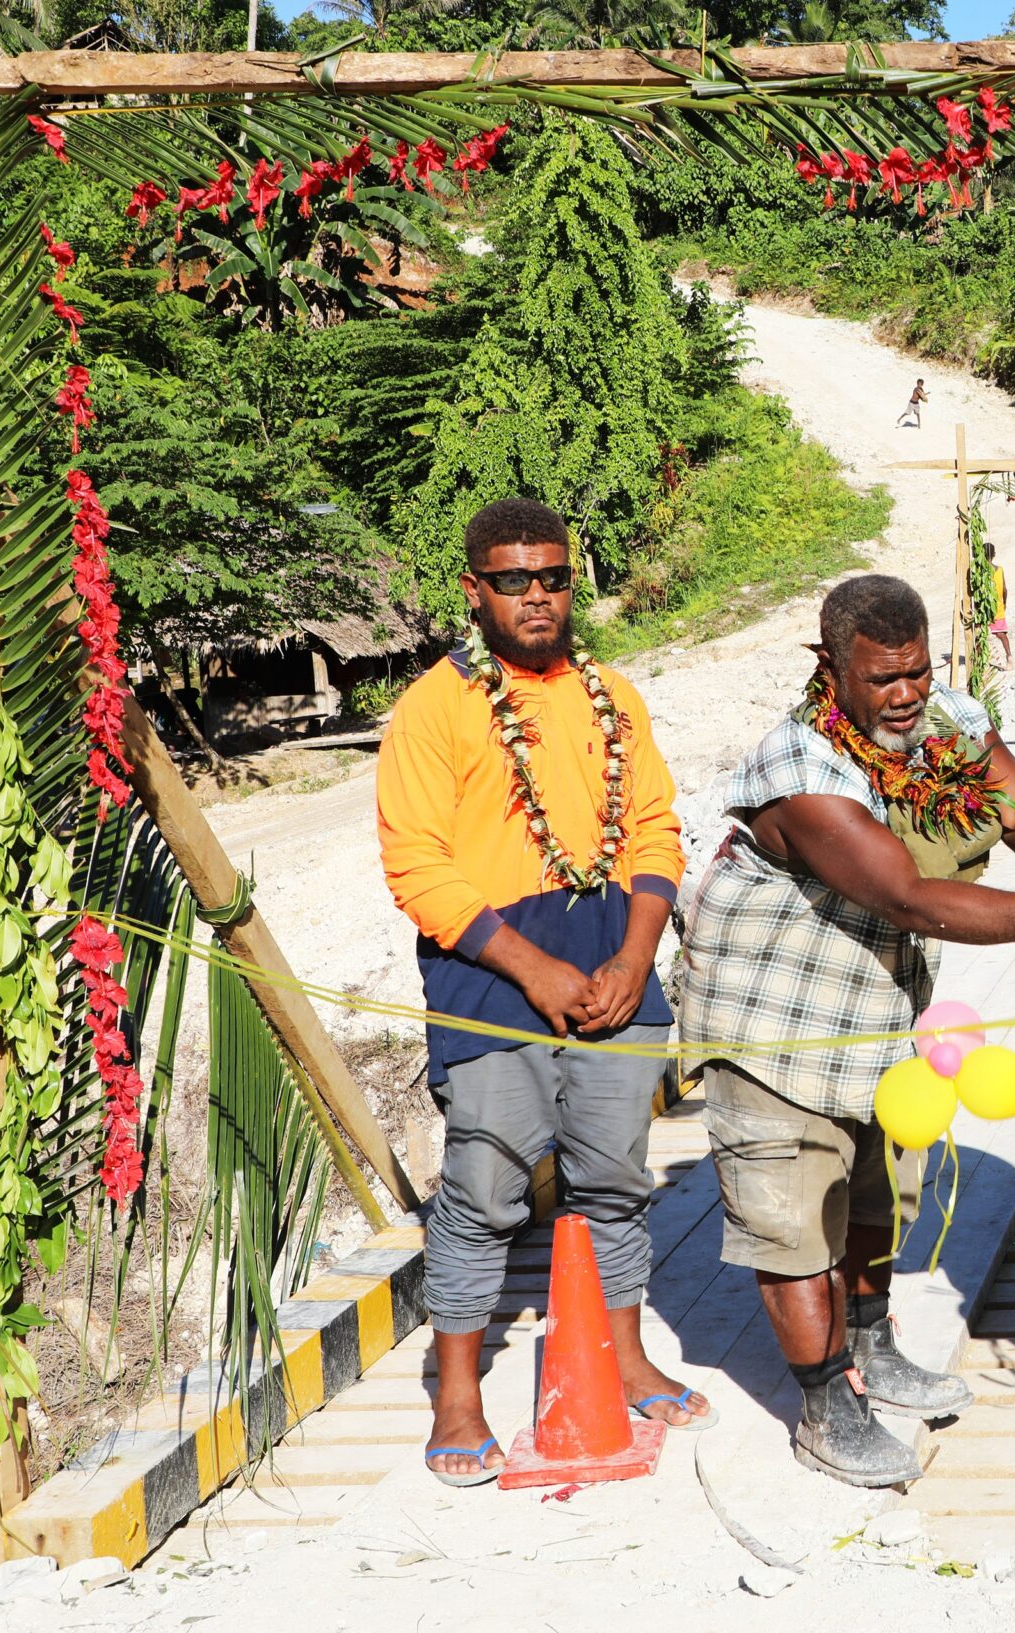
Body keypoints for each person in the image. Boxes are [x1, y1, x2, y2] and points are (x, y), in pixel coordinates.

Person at [676, 573, 1015, 1488]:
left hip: (881, 1012)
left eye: (917, 672)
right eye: (883, 678)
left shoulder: (946, 722)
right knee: (797, 1218)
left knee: (882, 1191)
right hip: (775, 1022)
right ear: (831, 666)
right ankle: (822, 1402)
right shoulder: (800, 769)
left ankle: (873, 1346)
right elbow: (909, 896)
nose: (904, 694)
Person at [376, 497, 707, 1487]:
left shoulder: (612, 694)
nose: (537, 597)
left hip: (614, 960)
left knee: (614, 1176)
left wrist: (633, 958)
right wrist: (536, 968)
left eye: (553, 577)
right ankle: (460, 1393)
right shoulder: (434, 709)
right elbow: (417, 870)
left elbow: (654, 829)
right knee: (483, 1188)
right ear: (473, 590)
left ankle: (627, 1352)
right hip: (491, 973)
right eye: (513, 579)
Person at [985, 539, 1013, 669]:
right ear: (994, 554)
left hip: (985, 608)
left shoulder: (982, 572)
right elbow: (1005, 590)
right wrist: (1004, 603)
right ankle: (1009, 657)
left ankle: (982, 661)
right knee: (1002, 634)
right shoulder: (1000, 570)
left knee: (979, 635)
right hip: (998, 607)